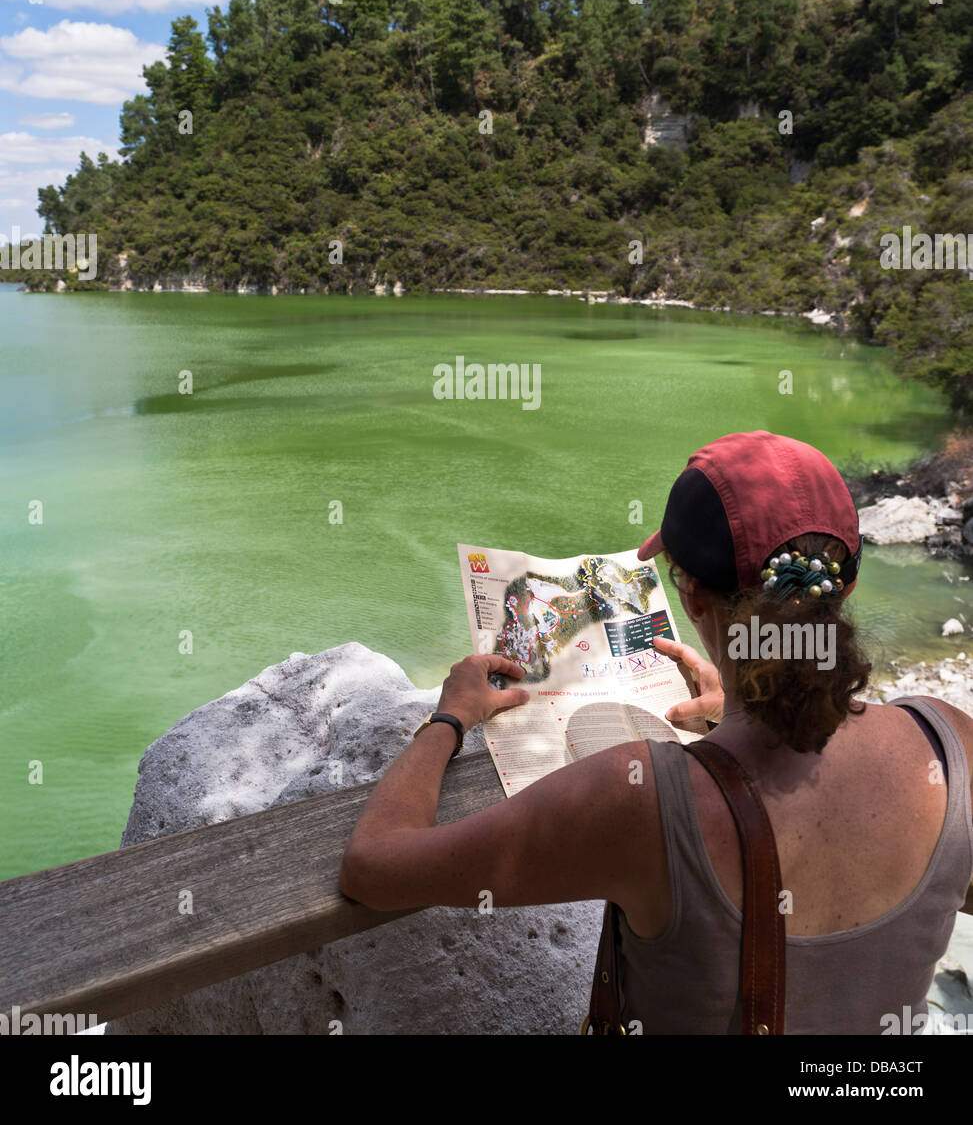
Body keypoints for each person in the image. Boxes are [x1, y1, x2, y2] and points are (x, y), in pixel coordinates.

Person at [339, 431, 973, 1034]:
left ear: (693, 598)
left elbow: (374, 868)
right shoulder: (947, 744)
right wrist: (751, 708)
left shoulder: (645, 800)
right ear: (848, 584)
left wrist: (448, 719)